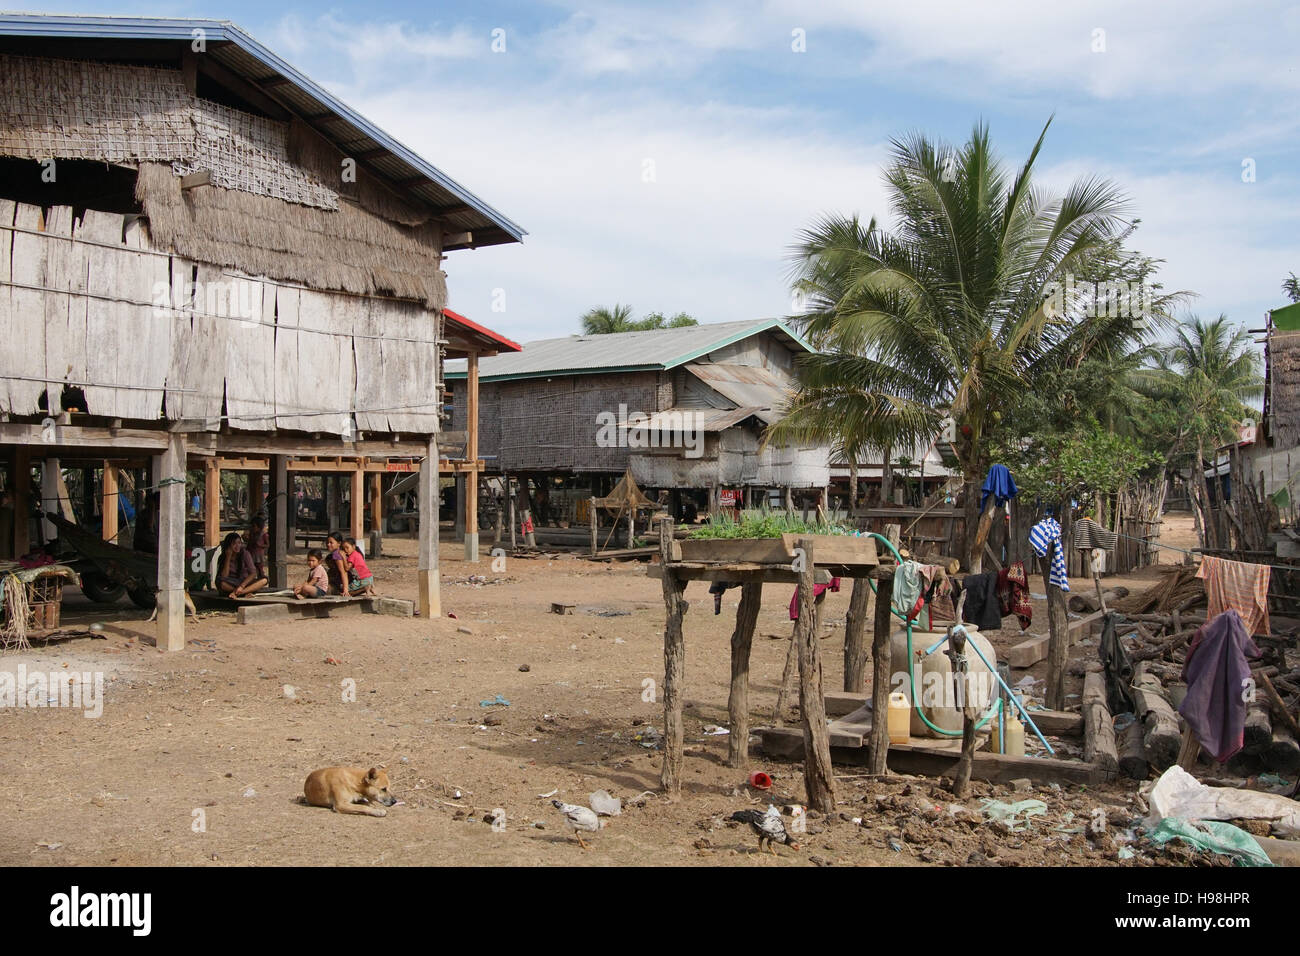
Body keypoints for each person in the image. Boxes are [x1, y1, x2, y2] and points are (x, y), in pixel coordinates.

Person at [216, 532, 267, 598]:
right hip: (231, 583)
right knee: (221, 583)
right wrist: (228, 557)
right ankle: (244, 593)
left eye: (239, 543)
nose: (237, 546)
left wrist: (241, 586)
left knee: (264, 580)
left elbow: (253, 573)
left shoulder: (245, 554)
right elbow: (224, 576)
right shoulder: (223, 556)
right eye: (234, 544)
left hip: (244, 582)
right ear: (229, 545)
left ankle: (238, 593)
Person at [324, 532, 349, 596]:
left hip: (345, 582)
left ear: (339, 543)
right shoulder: (338, 552)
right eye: (327, 542)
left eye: (331, 543)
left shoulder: (336, 554)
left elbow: (343, 572)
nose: (328, 544)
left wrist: (345, 589)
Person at [245, 514, 269, 578]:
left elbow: (267, 544)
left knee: (259, 567)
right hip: (251, 553)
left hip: (258, 555)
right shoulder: (252, 533)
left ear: (259, 527)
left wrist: (260, 545)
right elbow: (249, 543)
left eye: (254, 526)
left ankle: (261, 577)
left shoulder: (264, 535)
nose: (252, 528)